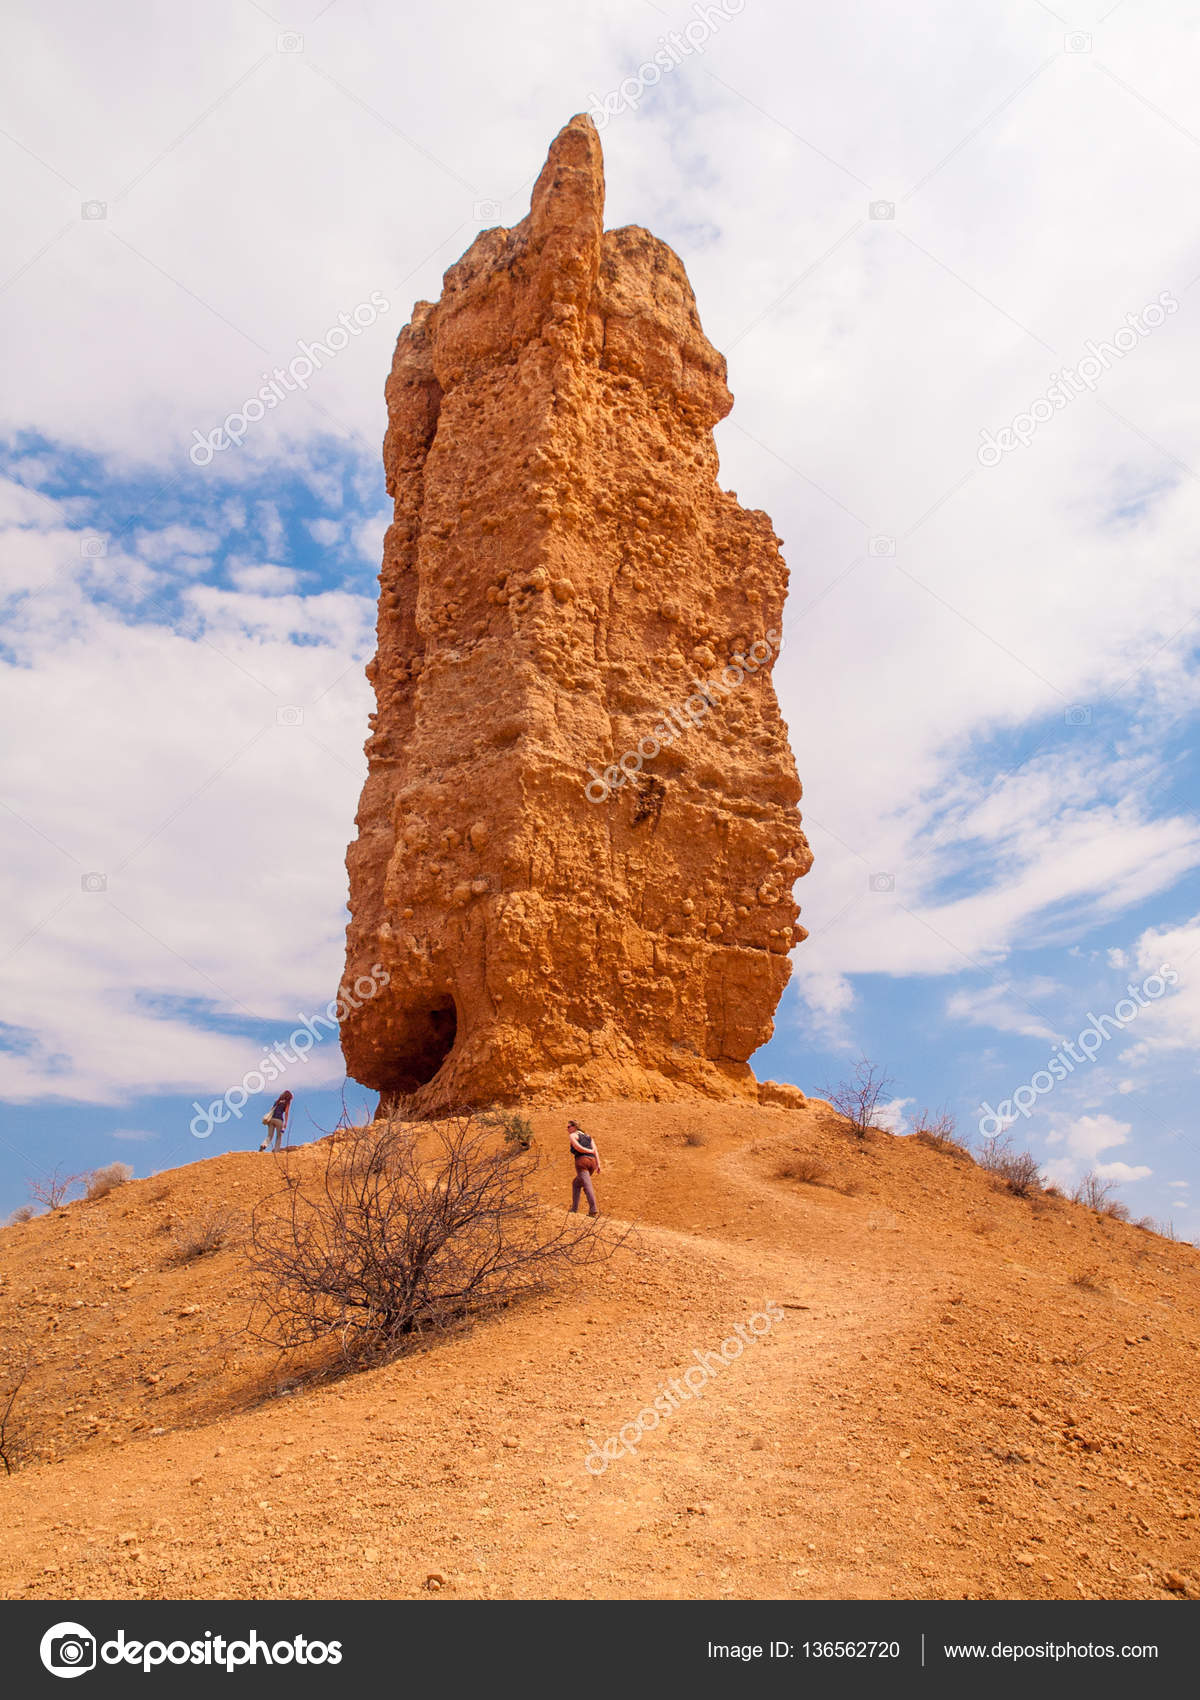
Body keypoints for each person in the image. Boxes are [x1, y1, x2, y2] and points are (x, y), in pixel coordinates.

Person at [567, 1119, 601, 1216]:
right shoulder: (588, 1136)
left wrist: (587, 1151)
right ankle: (574, 1208)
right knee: (576, 1183)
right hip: (592, 1163)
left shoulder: (573, 1135)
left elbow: (577, 1147)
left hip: (582, 1162)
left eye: (569, 1127)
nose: (567, 1129)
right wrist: (598, 1164)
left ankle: (593, 1209)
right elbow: (595, 1150)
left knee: (587, 1185)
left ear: (574, 1127)